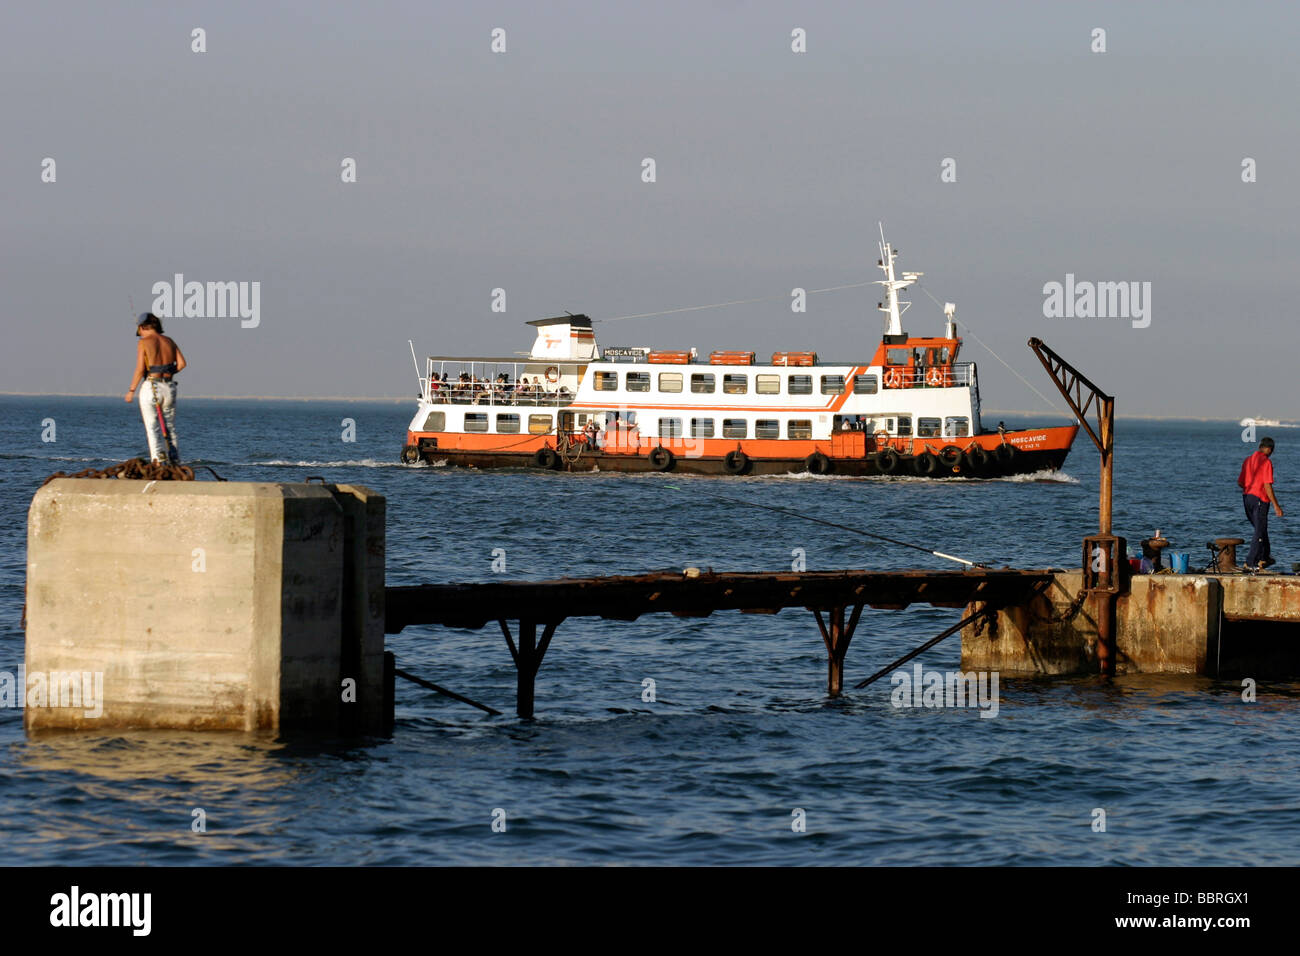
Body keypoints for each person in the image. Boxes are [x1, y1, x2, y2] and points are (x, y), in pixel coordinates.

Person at [124, 312, 186, 462]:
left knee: (152, 427)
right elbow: (182, 364)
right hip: (169, 387)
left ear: (142, 327)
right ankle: (174, 460)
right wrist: (167, 372)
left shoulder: (143, 342)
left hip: (151, 386)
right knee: (170, 427)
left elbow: (140, 369)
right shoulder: (169, 341)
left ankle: (157, 461)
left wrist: (131, 391)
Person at [1238, 437, 1283, 570]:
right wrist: (1276, 505)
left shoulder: (1248, 460)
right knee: (1259, 531)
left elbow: (1240, 482)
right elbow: (1267, 485)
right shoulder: (1266, 462)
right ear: (1268, 449)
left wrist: (1251, 488)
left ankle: (1265, 556)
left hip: (1247, 498)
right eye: (1272, 450)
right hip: (1260, 500)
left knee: (1260, 528)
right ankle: (1250, 562)